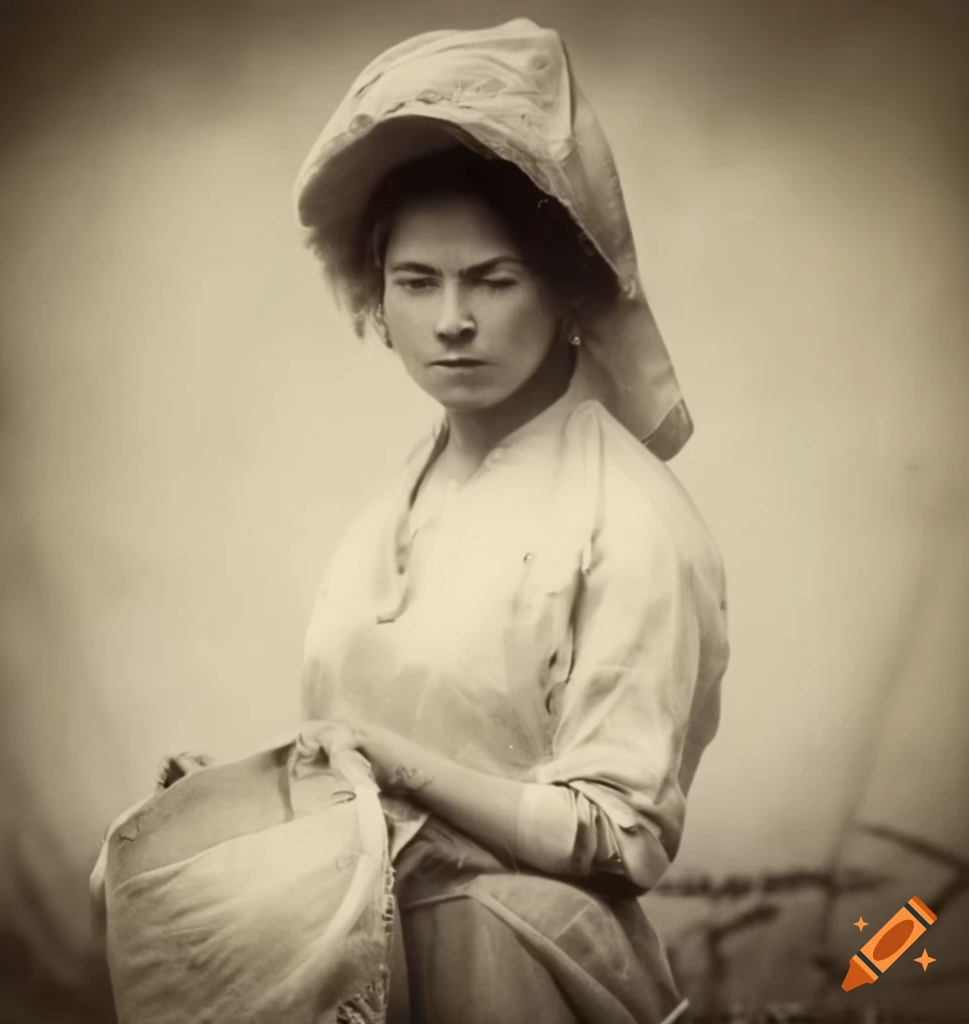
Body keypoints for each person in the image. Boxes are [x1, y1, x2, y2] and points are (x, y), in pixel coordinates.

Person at [292, 18, 730, 1024]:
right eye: (416, 282)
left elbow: (619, 835)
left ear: (566, 292)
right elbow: (361, 746)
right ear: (376, 298)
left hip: (523, 971)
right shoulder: (408, 489)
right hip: (371, 963)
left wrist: (387, 757)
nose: (452, 318)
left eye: (492, 280)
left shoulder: (627, 519)